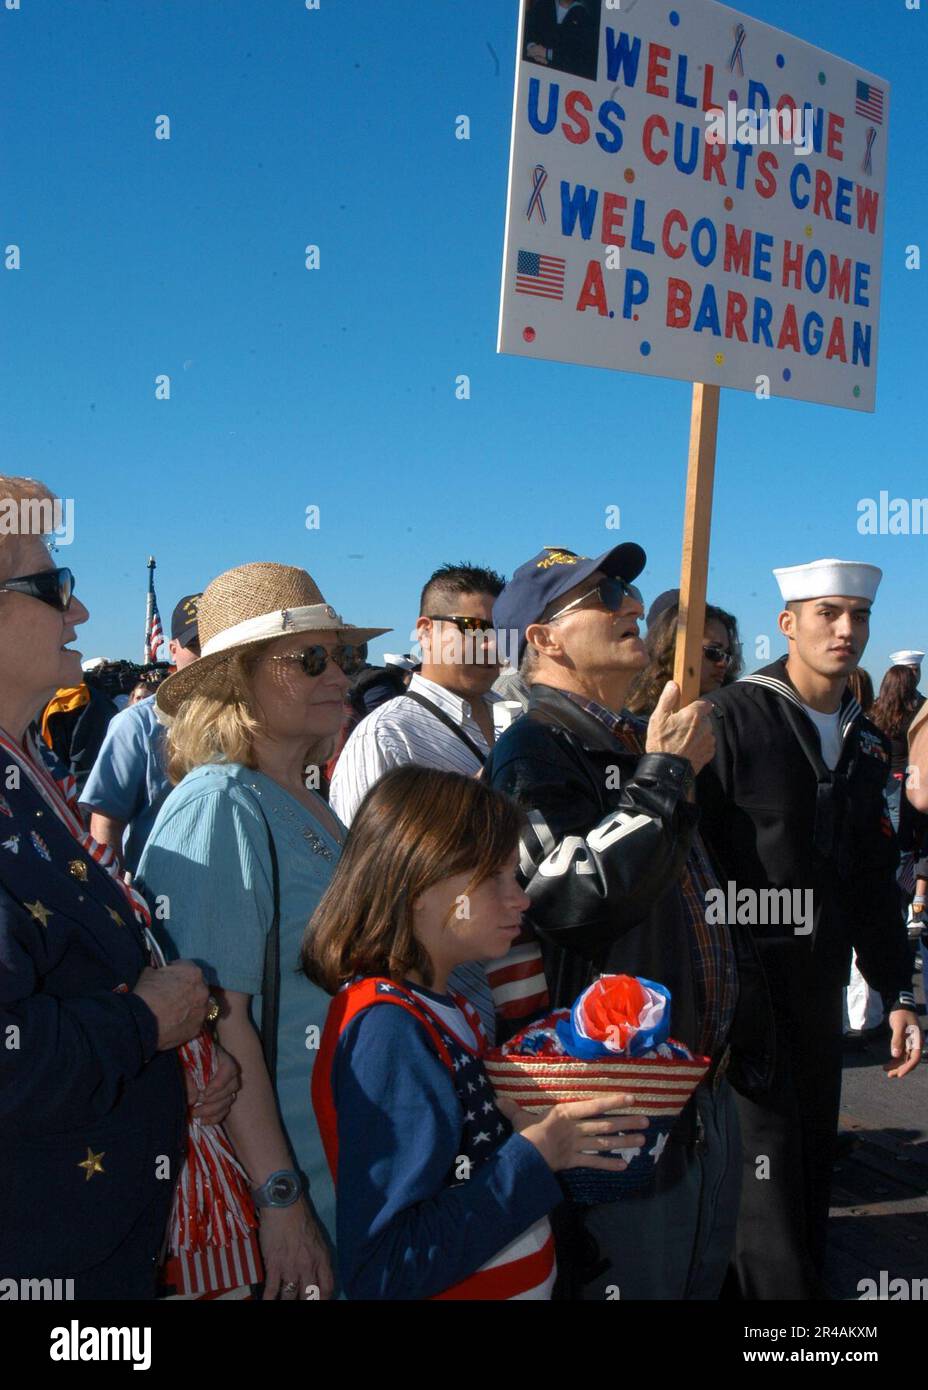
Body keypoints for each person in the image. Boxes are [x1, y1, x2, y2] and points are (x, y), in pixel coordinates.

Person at [484, 544, 770, 1301]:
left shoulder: (629, 738)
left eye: (629, 586)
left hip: (691, 1082)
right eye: (605, 593)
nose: (632, 603)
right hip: (613, 1093)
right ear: (542, 637)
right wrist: (666, 777)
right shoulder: (531, 749)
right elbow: (570, 898)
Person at [137, 562, 389, 1300]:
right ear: (236, 682)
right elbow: (219, 1025)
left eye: (344, 655)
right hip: (286, 1179)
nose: (339, 673)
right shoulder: (219, 806)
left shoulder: (306, 801)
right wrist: (281, 1202)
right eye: (310, 658)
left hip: (346, 1158)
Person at [305, 764, 647, 1300]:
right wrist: (536, 1155)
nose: (521, 898)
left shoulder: (447, 1007)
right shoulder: (389, 1030)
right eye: (494, 877)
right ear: (418, 885)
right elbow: (386, 1267)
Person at [0, 474, 221, 1299]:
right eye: (56, 588)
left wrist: (177, 1049)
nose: (80, 613)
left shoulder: (27, 765)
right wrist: (144, 1023)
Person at [697, 558, 922, 1300]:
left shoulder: (863, 741)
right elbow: (688, 867)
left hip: (821, 994)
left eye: (858, 616)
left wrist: (893, 989)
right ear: (788, 623)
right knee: (762, 1187)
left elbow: (866, 882)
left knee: (809, 1171)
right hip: (742, 997)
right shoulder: (731, 720)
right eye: (828, 613)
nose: (847, 630)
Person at [330, 563, 508, 1038]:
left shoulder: (519, 724)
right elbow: (373, 890)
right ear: (427, 632)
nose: (492, 644)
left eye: (503, 631)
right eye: (475, 628)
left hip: (525, 997)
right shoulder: (387, 736)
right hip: (440, 1011)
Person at [82, 596, 201, 874]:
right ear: (172, 649)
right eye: (195, 644)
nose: (207, 652)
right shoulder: (136, 724)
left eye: (215, 641)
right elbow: (105, 823)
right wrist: (120, 902)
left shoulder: (252, 717)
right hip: (159, 895)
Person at [627, 589, 743, 715]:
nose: (723, 664)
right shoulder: (631, 724)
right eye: (713, 652)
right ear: (671, 647)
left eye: (728, 655)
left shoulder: (730, 716)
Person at [523, 0, 598, 81]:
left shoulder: (585, 18)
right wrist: (532, 48)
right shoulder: (542, 6)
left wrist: (547, 54)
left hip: (563, 81)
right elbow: (525, 31)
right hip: (533, 73)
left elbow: (581, 60)